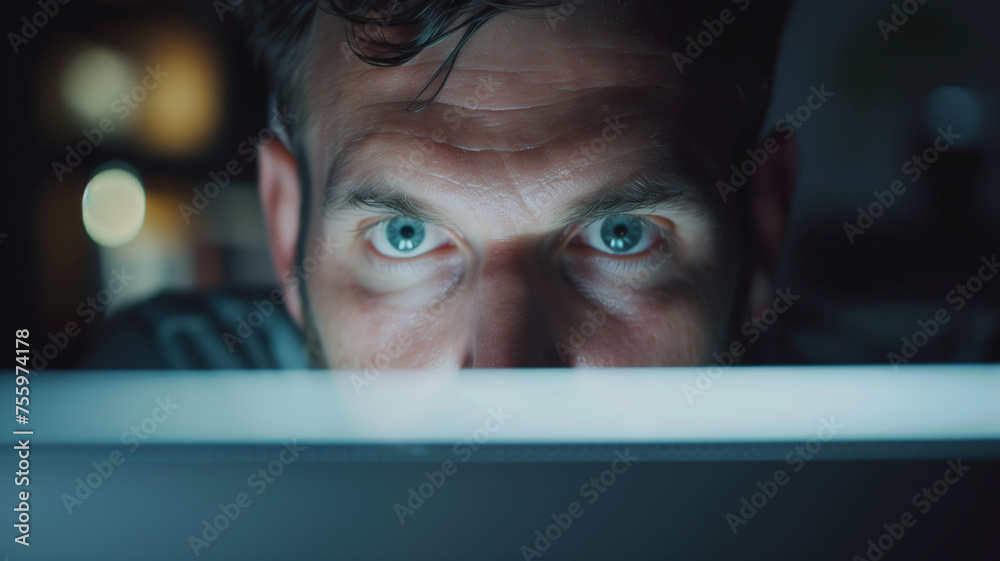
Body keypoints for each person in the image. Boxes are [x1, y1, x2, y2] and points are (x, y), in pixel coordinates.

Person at [85, 0, 796, 370]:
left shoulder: (889, 491)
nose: (503, 380)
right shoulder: (124, 427)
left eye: (622, 234)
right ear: (285, 226)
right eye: (405, 235)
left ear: (761, 233)